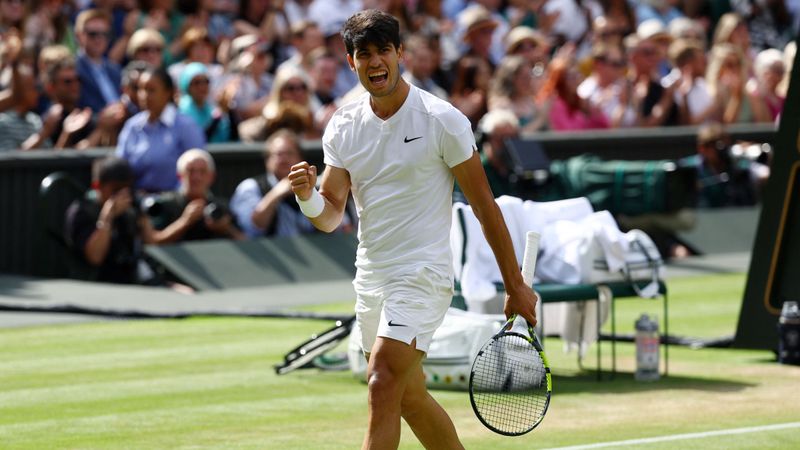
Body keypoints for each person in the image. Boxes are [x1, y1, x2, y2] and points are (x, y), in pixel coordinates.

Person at [287, 10, 538, 449]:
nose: (375, 61)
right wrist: (308, 197)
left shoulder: (442, 120)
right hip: (372, 277)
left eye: (383, 50)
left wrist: (515, 285)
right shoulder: (343, 127)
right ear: (351, 61)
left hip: (422, 276)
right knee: (408, 396)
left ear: (400, 54)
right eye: (364, 54)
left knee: (382, 381)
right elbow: (329, 217)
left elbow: (485, 208)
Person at [64, 157, 161, 284]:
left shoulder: (129, 210)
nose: (122, 196)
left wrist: (141, 212)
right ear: (97, 186)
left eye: (127, 189)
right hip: (96, 283)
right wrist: (107, 217)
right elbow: (95, 257)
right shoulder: (81, 212)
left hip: (132, 279)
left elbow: (152, 244)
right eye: (116, 190)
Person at [116, 67, 206, 193]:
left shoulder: (186, 126)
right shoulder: (132, 126)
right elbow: (121, 167)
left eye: (151, 90)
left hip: (176, 203)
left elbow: (197, 170)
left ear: (167, 92)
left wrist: (171, 201)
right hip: (136, 202)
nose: (144, 95)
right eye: (140, 89)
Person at [231, 129, 320, 238]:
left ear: (301, 158)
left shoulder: (315, 189)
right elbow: (253, 227)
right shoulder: (250, 187)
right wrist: (277, 192)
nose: (284, 159)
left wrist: (310, 197)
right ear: (267, 160)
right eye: (278, 154)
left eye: (289, 153)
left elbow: (339, 227)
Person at [146, 149, 245, 242]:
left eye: (202, 171)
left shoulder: (223, 207)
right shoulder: (163, 205)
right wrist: (184, 221)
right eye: (190, 171)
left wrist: (226, 228)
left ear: (211, 177)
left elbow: (247, 244)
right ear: (180, 176)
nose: (196, 177)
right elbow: (152, 241)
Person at [75, 9, 122, 114]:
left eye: (104, 34)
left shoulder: (115, 69)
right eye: (93, 34)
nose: (99, 39)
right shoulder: (73, 69)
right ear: (79, 36)